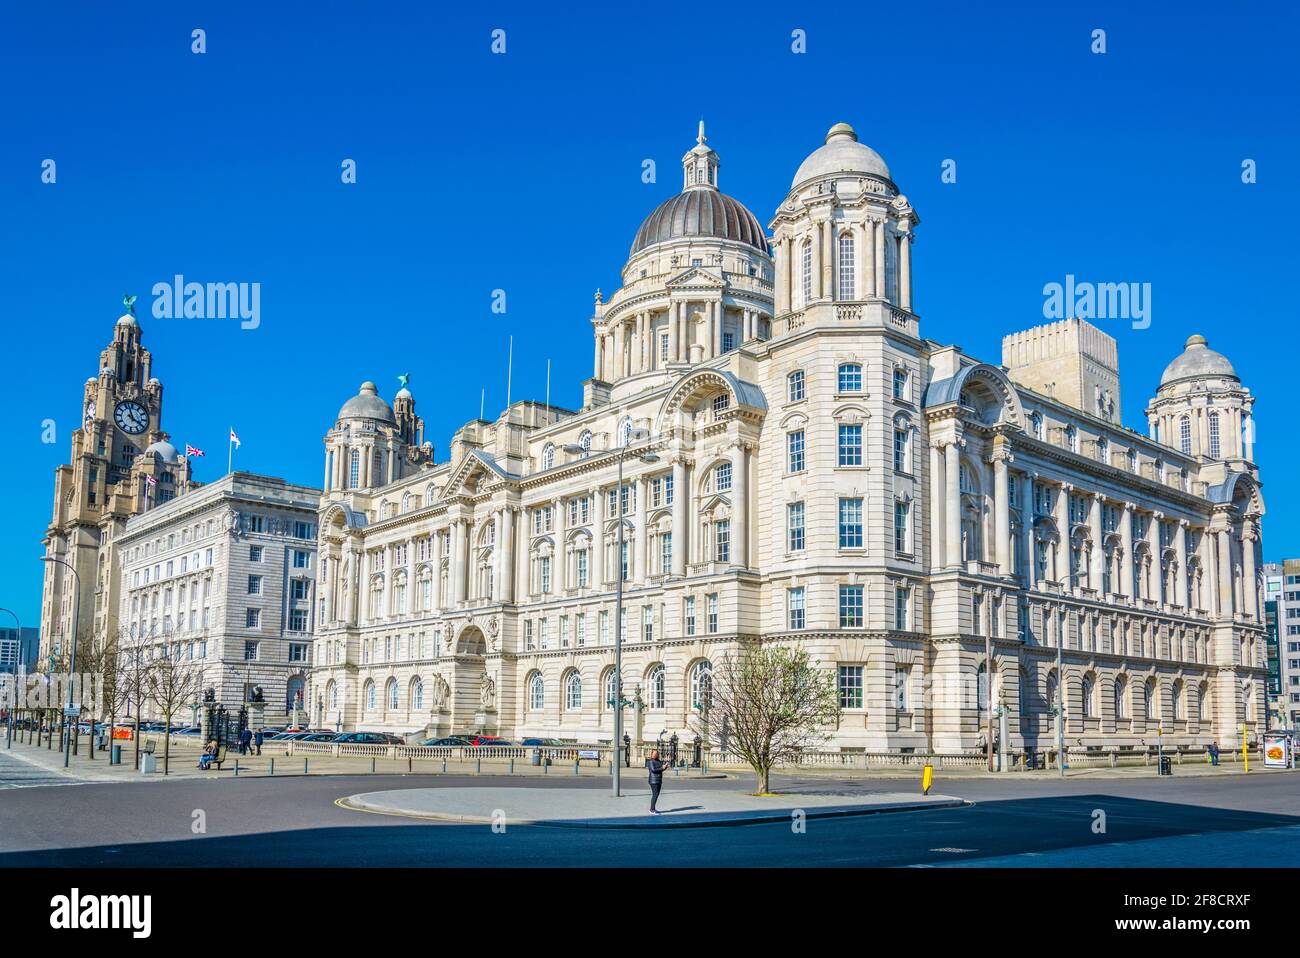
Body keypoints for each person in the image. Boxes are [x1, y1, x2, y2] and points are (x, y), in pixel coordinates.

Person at [645, 749, 669, 815]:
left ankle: (653, 808)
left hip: (658, 780)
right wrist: (662, 768)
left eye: (657, 753)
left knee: (656, 794)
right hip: (653, 780)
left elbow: (661, 769)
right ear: (651, 754)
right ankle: (651, 810)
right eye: (654, 753)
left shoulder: (658, 761)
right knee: (655, 794)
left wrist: (665, 766)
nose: (655, 755)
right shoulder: (650, 761)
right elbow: (653, 770)